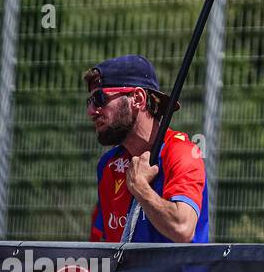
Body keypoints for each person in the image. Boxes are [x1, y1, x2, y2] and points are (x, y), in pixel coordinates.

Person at [85, 54, 208, 244]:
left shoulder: (182, 153)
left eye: (100, 98)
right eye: (90, 102)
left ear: (138, 98)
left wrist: (140, 187)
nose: (91, 111)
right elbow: (100, 246)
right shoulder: (108, 165)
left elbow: (182, 229)